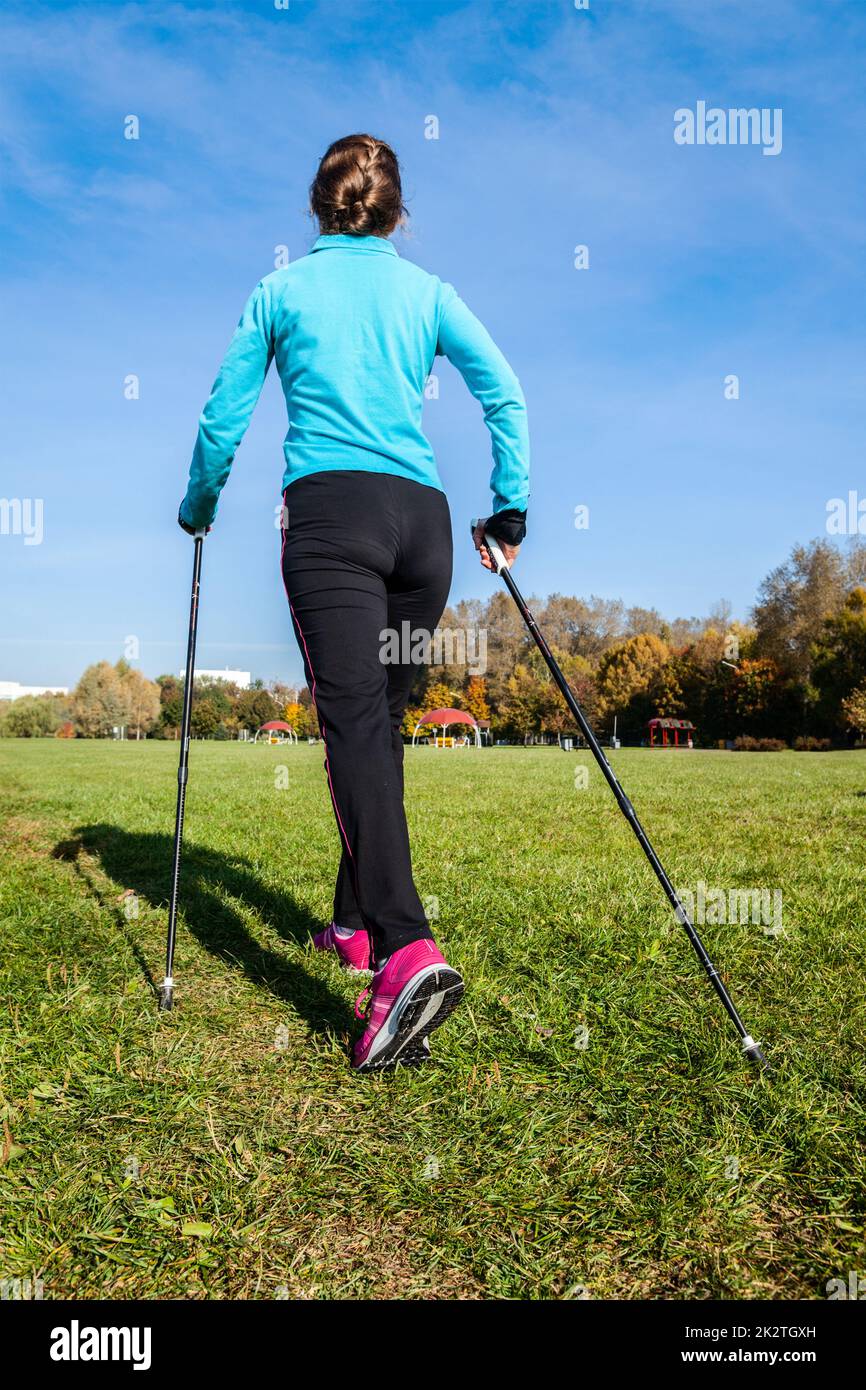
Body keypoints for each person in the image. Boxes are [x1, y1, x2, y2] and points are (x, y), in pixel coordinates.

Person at [179, 134, 529, 1071]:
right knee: (378, 727)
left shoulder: (281, 290)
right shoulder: (429, 293)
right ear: (396, 212)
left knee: (355, 732)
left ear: (317, 207)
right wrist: (513, 507)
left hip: (334, 517)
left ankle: (405, 950)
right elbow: (506, 393)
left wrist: (198, 504)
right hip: (426, 528)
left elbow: (224, 414)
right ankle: (352, 926)